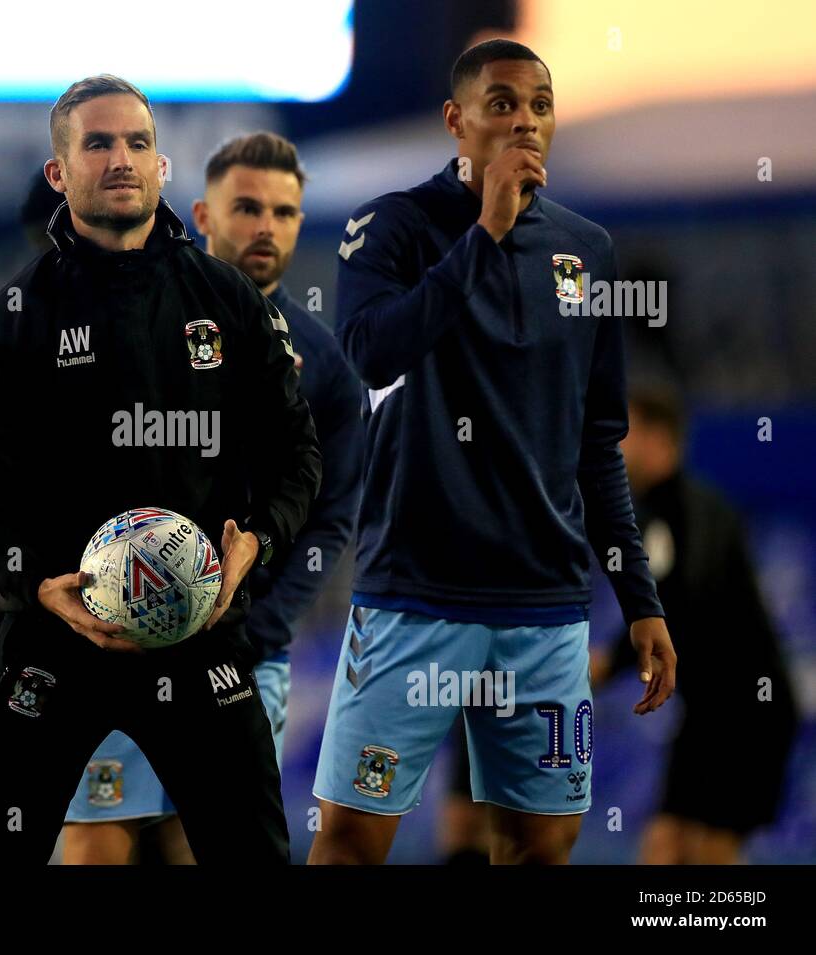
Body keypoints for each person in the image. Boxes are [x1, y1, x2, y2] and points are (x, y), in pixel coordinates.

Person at [309, 39, 677, 865]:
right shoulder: (392, 226)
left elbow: (599, 446)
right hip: (414, 593)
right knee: (349, 842)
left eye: (540, 105)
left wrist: (640, 600)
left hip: (542, 606)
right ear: (456, 121)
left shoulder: (588, 252)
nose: (525, 121)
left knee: (540, 846)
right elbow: (369, 353)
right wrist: (485, 234)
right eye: (503, 103)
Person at [0, 75, 321, 864]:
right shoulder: (12, 320)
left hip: (199, 629)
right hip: (58, 636)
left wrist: (255, 544)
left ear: (161, 165)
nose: (122, 159)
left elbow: (296, 458)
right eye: (99, 143)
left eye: (138, 143)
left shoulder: (231, 302)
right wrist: (35, 582)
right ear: (60, 172)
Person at [60, 131, 362, 864]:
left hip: (242, 647)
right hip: (118, 635)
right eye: (248, 208)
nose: (266, 227)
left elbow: (333, 517)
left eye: (285, 213)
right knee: (97, 847)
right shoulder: (126, 318)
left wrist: (265, 622)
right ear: (202, 213)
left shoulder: (322, 364)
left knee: (201, 845)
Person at [593, 383, 798, 863]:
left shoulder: (687, 515)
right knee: (666, 843)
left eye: (625, 433)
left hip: (746, 715)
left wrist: (609, 663)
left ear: (658, 438)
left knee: (707, 852)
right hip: (712, 714)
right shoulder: (675, 513)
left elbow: (681, 605)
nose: (614, 446)